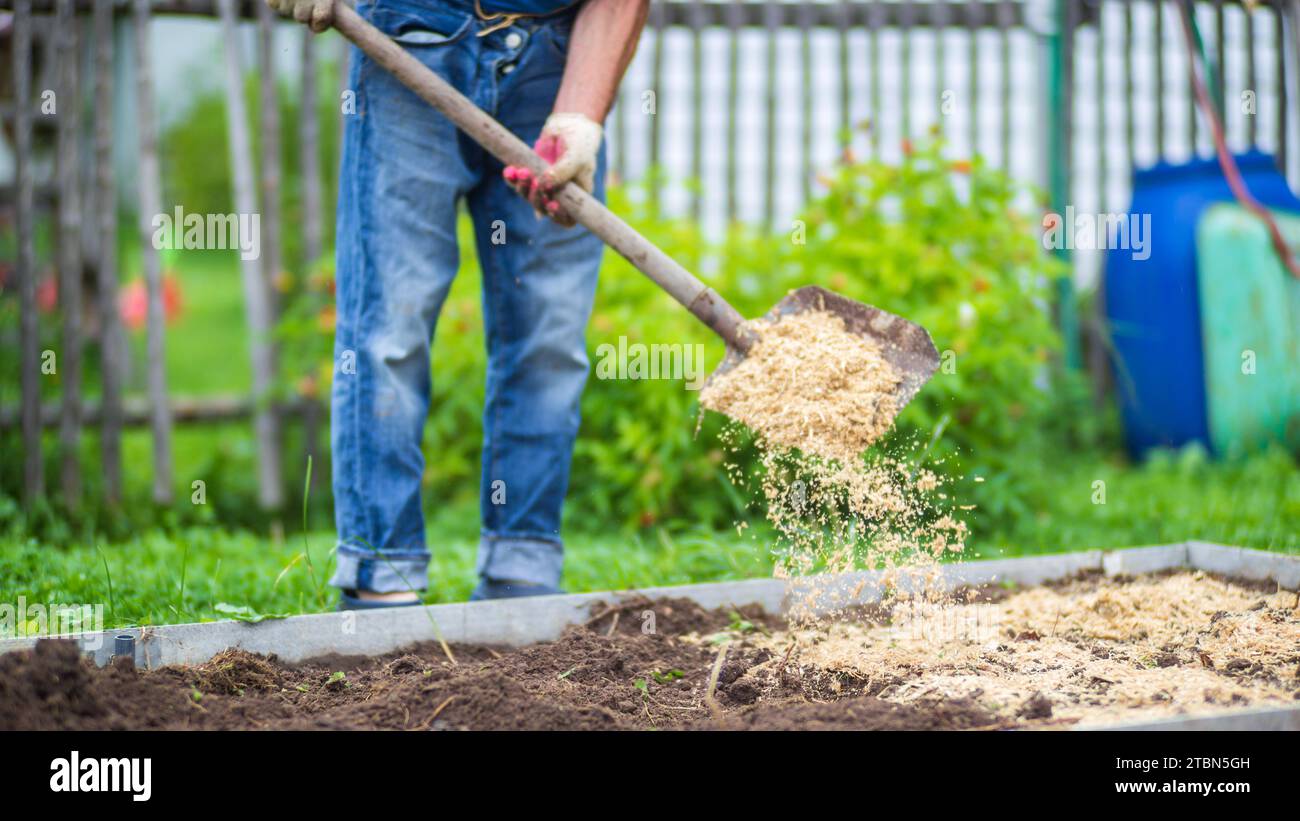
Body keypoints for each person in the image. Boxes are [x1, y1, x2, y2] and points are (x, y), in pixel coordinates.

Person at [267, 0, 649, 606]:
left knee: (547, 341)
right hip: (412, 33)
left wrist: (580, 116)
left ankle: (521, 577)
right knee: (388, 326)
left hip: (558, 55)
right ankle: (380, 580)